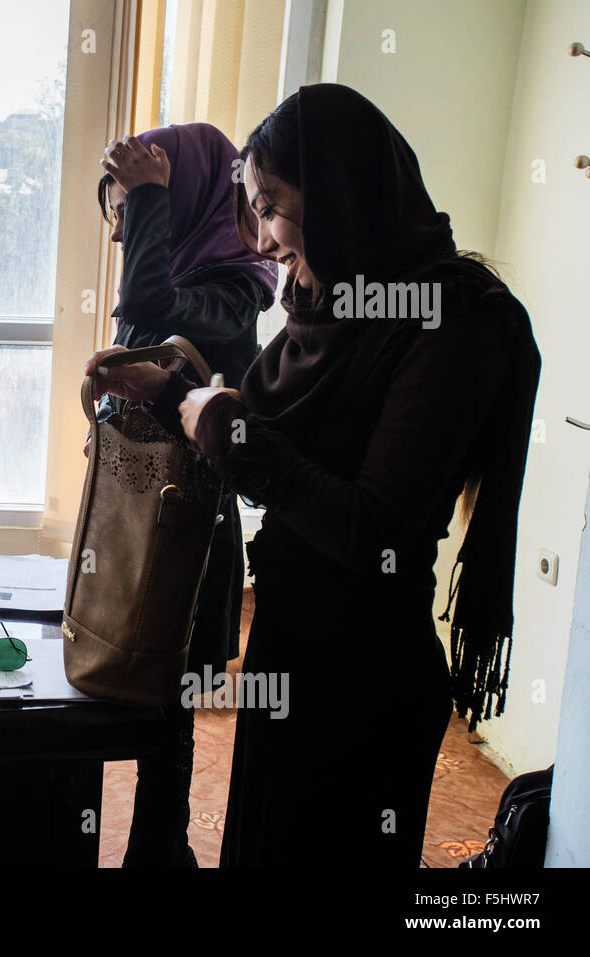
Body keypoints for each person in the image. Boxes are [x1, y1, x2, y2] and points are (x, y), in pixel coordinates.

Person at [86, 84, 540, 866]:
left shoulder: (451, 322)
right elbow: (249, 431)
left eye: (270, 207)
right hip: (291, 651)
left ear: (337, 193)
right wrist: (162, 392)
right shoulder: (321, 310)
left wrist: (222, 423)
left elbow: (374, 529)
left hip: (363, 683)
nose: (260, 241)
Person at [95, 126, 277, 867]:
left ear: (187, 197)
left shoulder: (234, 290)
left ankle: (162, 856)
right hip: (136, 513)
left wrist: (147, 198)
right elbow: (132, 354)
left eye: (128, 213)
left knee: (168, 709)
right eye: (114, 212)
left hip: (187, 531)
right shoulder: (172, 263)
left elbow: (145, 302)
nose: (118, 231)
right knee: (129, 683)